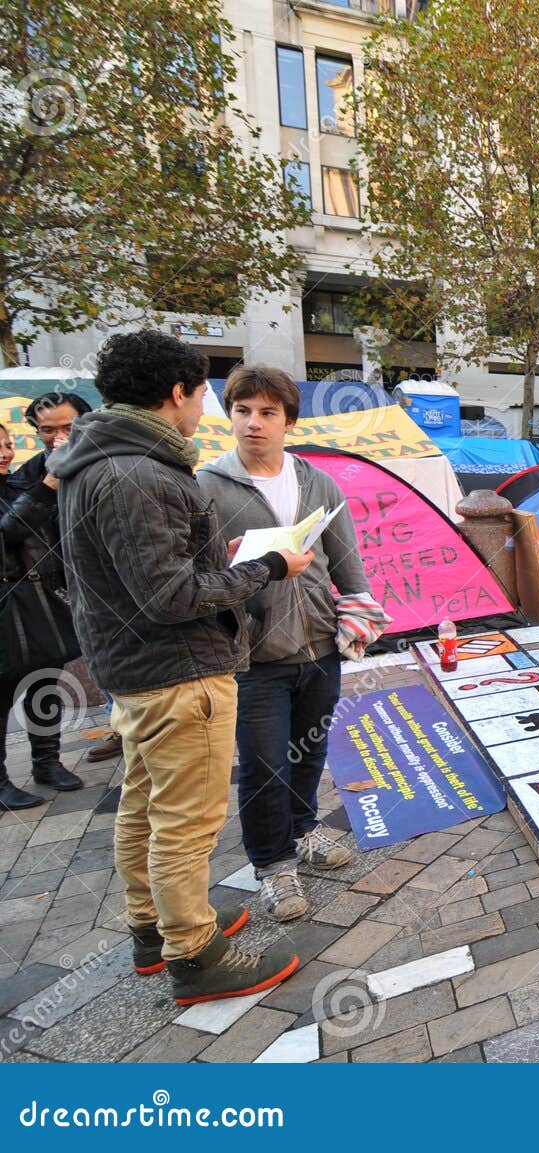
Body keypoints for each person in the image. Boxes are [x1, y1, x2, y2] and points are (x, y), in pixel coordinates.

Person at [51, 330, 313, 1003]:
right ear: (177, 393)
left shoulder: (96, 459)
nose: (212, 410)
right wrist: (265, 567)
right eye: (207, 395)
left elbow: (141, 572)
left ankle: (154, 926)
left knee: (144, 805)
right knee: (185, 823)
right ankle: (194, 952)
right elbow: (168, 597)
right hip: (176, 673)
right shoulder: (140, 472)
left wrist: (208, 561)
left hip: (135, 670)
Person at [198, 366, 382, 922]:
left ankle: (304, 830)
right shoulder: (207, 486)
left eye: (267, 413)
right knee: (262, 765)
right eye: (243, 411)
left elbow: (344, 560)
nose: (254, 423)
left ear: (289, 422)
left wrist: (356, 619)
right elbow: (198, 577)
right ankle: (272, 865)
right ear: (229, 416)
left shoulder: (317, 481)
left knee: (309, 751)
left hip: (319, 648)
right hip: (252, 656)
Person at [17, 392, 123, 766]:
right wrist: (49, 481)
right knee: (84, 661)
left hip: (113, 579)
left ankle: (129, 727)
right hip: (59, 585)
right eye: (48, 429)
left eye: (69, 426)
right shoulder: (29, 476)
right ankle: (112, 728)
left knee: (122, 653)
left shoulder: (109, 461)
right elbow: (17, 527)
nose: (59, 435)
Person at [0, 424, 85, 808]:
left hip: (39, 603)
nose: (4, 452)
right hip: (7, 610)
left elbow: (43, 470)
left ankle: (46, 763)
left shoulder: (14, 484)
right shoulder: (26, 491)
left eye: (7, 444)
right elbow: (11, 530)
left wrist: (60, 445)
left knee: (45, 682)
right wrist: (47, 484)